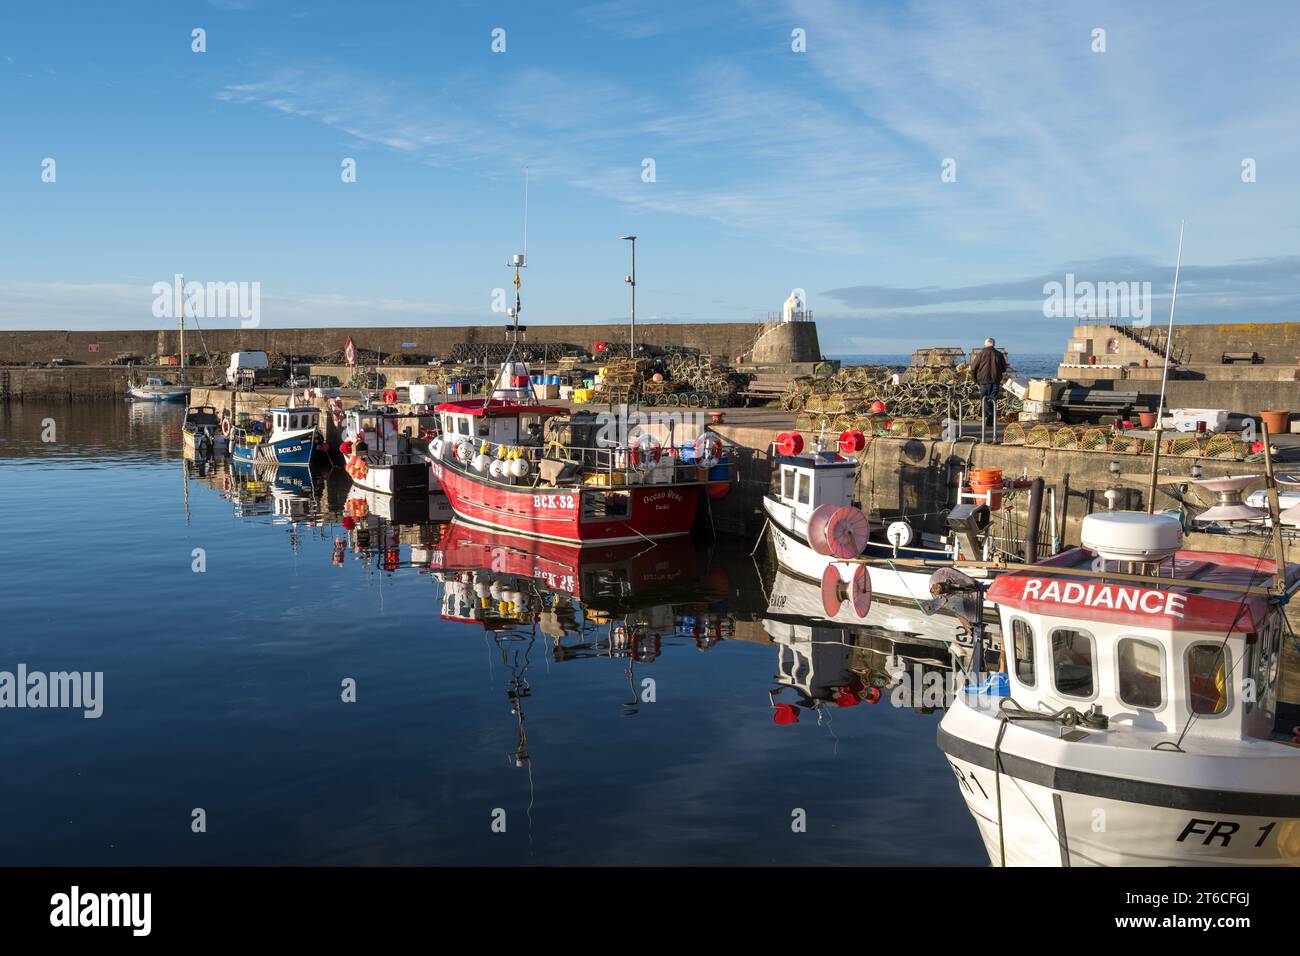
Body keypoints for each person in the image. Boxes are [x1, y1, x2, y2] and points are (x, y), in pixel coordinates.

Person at [970, 337, 1008, 427]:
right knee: (992, 400)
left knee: (984, 400)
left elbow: (973, 369)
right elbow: (1003, 369)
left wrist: (975, 380)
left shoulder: (980, 354)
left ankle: (989, 415)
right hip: (995, 381)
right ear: (994, 344)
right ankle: (990, 419)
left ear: (985, 344)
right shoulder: (999, 354)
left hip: (983, 381)